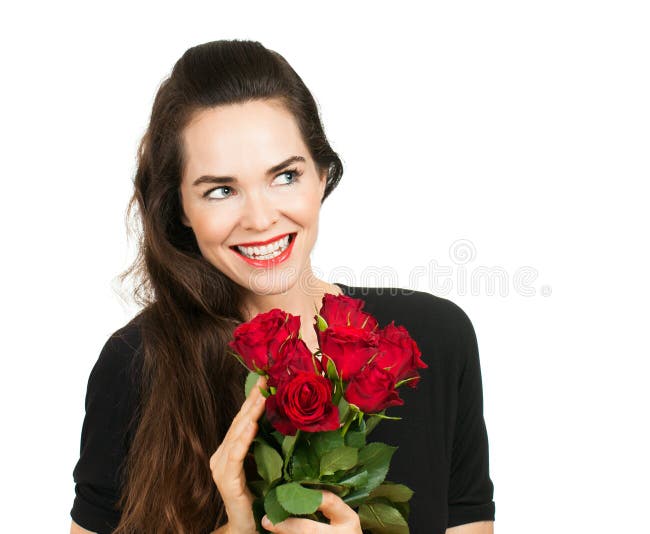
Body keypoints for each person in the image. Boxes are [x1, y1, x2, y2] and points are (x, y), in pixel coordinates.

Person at [70, 39, 495, 534]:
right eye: (221, 190)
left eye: (285, 176)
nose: (260, 218)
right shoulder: (135, 363)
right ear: (180, 209)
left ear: (322, 174)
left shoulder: (432, 341)